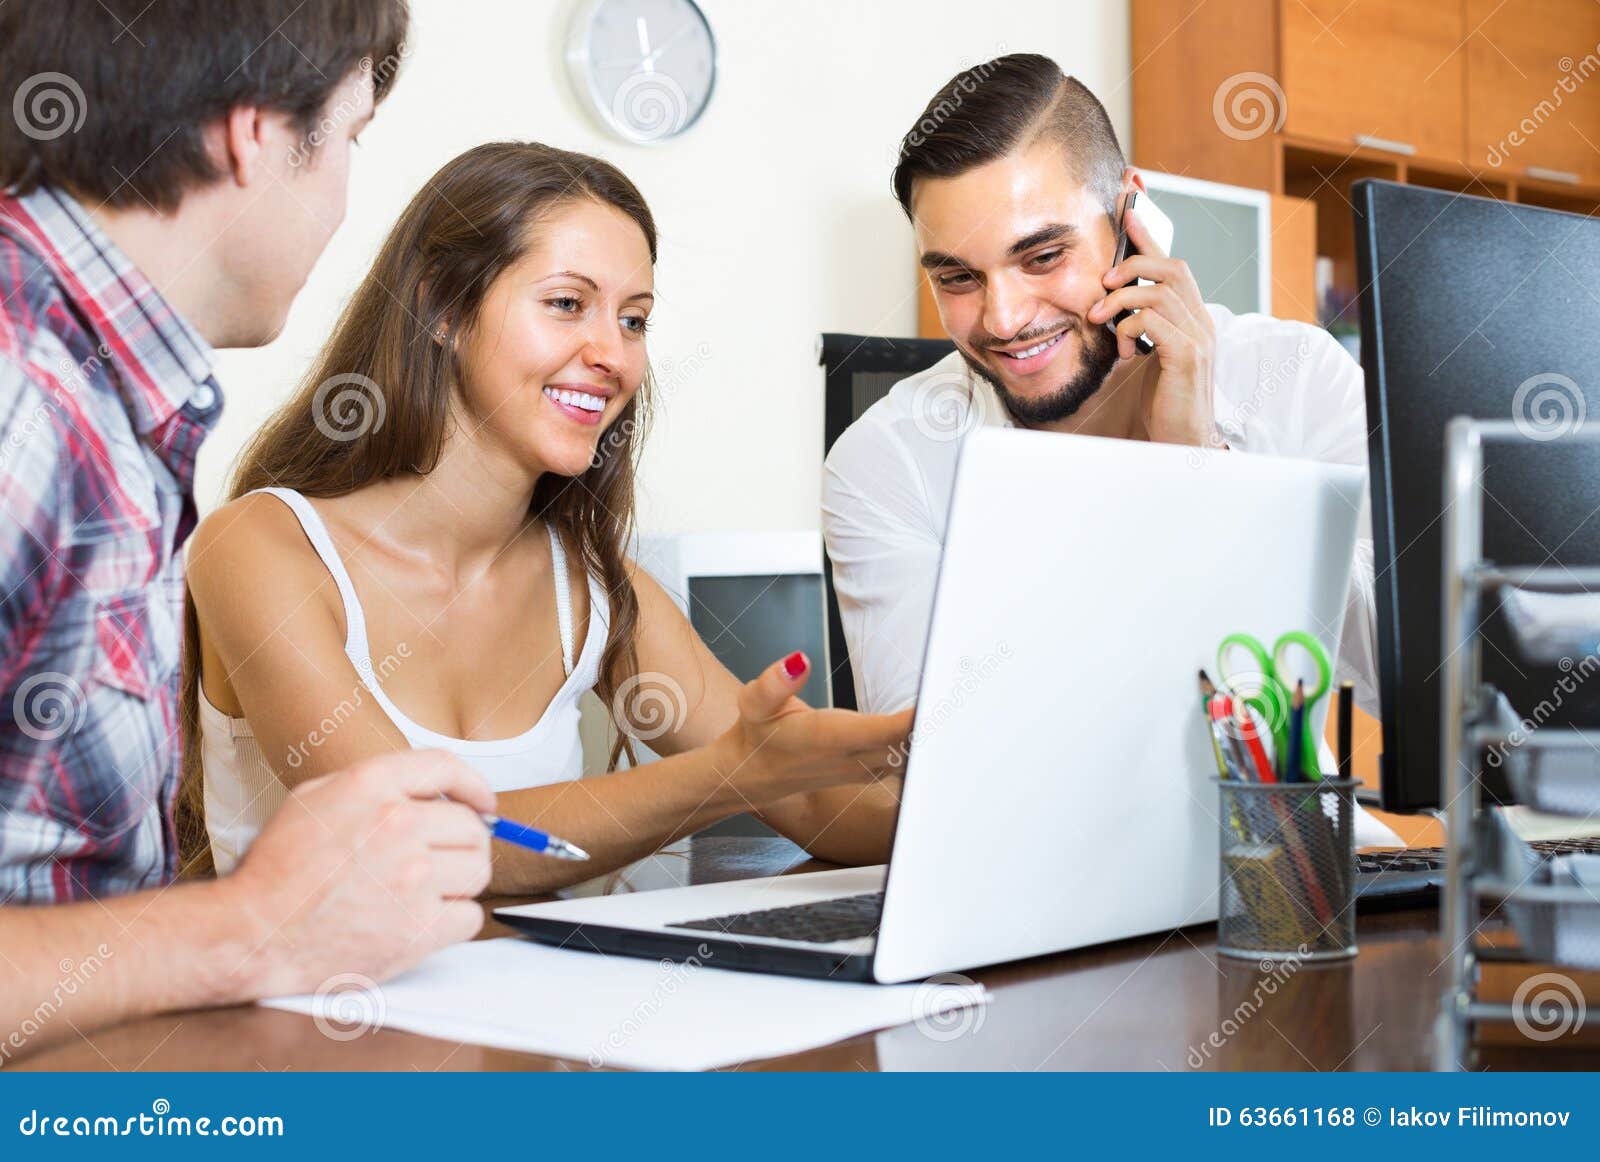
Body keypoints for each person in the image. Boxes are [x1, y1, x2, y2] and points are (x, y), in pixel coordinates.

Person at [181, 141, 911, 893]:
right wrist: (727, 777)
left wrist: (946, 771)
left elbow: (829, 809)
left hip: (524, 1009)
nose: (613, 355)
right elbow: (414, 844)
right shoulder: (258, 549)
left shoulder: (595, 588)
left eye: (634, 321)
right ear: (441, 309)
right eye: (567, 304)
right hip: (310, 1013)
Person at [3, 0, 497, 1054]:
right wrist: (251, 925)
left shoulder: (107, 399)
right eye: (350, 138)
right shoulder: (19, 398)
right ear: (255, 133)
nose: (342, 205)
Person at [823, 53, 1381, 726]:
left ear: (1129, 217)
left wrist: (1204, 465)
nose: (1004, 318)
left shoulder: (1296, 376)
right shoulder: (889, 461)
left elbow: (1412, 679)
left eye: (1043, 257)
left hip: (1277, 829)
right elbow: (924, 758)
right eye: (958, 278)